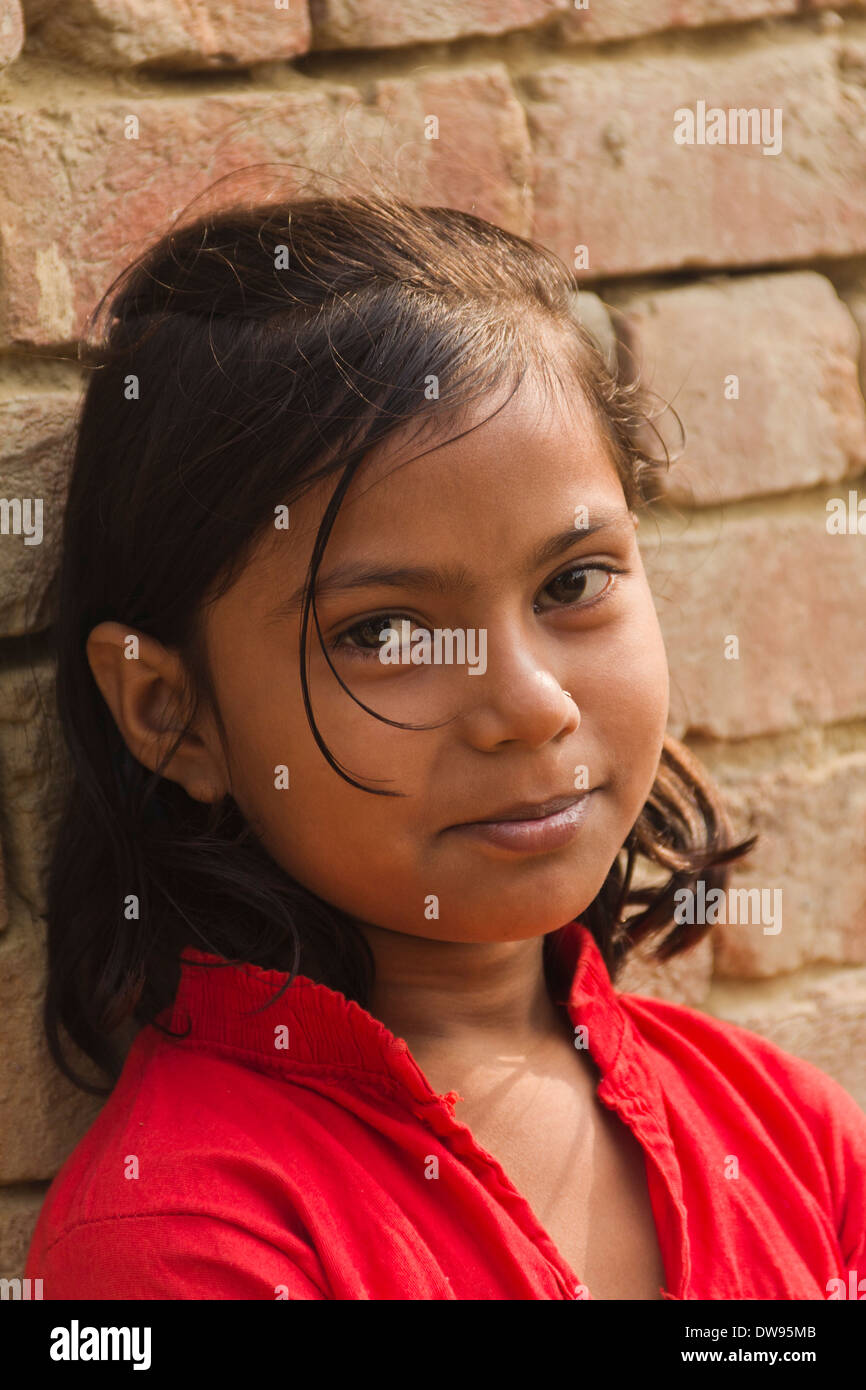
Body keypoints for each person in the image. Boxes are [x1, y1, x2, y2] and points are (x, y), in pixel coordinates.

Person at [24, 191, 866, 1299]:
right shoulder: (186, 1237)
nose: (526, 704)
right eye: (385, 632)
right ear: (168, 712)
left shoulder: (786, 1136)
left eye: (573, 583)